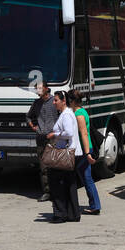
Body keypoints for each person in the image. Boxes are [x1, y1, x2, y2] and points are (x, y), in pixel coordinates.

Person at [44, 90, 82, 223]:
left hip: (65, 154)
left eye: (56, 100)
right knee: (69, 184)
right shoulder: (68, 113)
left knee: (57, 184)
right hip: (71, 153)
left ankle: (61, 213)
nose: (54, 103)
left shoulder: (66, 115)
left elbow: (69, 133)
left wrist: (54, 135)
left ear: (63, 101)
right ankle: (72, 213)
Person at [68, 90, 100, 215]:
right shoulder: (80, 111)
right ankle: (94, 205)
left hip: (84, 150)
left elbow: (84, 134)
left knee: (86, 178)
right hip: (84, 150)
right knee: (86, 178)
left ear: (72, 101)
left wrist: (87, 154)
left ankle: (94, 205)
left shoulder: (79, 114)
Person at [26, 82, 59, 201]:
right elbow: (28, 116)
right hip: (40, 137)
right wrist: (32, 126)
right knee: (43, 166)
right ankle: (47, 191)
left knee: (55, 164)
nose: (38, 91)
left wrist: (58, 131)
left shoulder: (54, 102)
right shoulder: (36, 103)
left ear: (46, 89)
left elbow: (63, 115)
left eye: (40, 88)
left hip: (53, 137)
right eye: (36, 89)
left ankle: (57, 191)